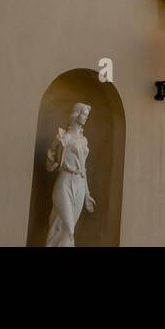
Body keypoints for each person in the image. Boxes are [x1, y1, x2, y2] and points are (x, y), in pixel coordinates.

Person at [45, 102, 96, 246]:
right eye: (84, 114)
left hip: (79, 184)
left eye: (87, 115)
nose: (86, 118)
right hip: (65, 182)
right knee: (68, 228)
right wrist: (55, 145)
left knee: (63, 225)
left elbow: (83, 170)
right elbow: (50, 166)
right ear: (77, 115)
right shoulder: (65, 137)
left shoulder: (84, 140)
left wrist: (87, 194)